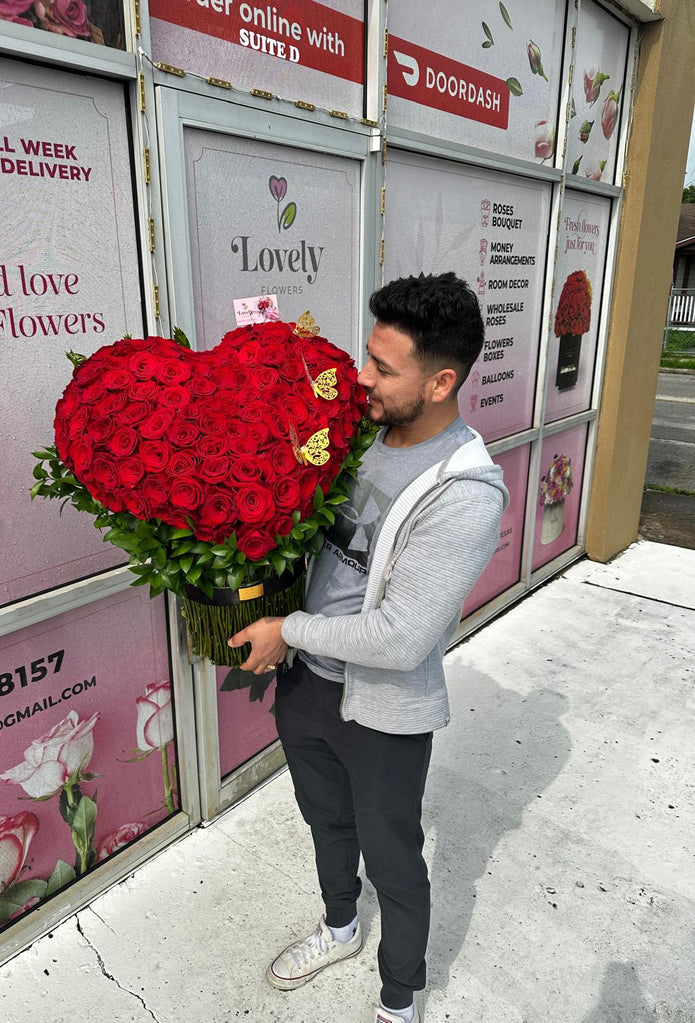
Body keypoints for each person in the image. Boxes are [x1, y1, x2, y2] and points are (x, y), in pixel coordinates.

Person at [228, 272, 509, 1023]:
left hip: (381, 710)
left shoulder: (464, 490)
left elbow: (401, 636)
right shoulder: (357, 435)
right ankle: (339, 925)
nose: (362, 377)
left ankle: (398, 997)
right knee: (325, 821)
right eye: (366, 356)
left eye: (384, 368)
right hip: (307, 687)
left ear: (441, 380)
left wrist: (285, 630)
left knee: (393, 858)